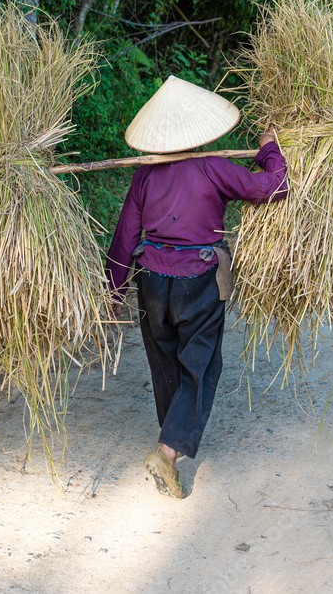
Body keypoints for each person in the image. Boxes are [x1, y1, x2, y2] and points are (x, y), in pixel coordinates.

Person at [105, 76, 289, 498]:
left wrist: (113, 291)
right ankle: (168, 452)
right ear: (200, 131)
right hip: (198, 281)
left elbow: (125, 236)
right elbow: (272, 186)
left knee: (165, 361)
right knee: (201, 365)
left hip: (151, 282)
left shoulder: (144, 177)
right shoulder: (215, 168)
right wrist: (269, 150)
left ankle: (168, 439)